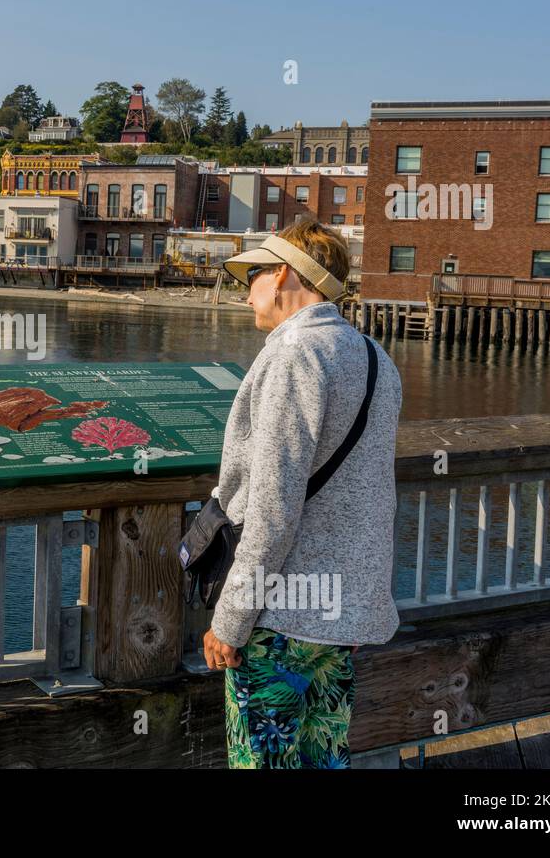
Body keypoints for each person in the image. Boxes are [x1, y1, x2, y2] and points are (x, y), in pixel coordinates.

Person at [203, 218, 402, 769]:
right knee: (324, 761)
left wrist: (231, 620)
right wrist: (360, 605)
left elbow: (272, 507)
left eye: (254, 274)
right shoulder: (374, 358)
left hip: (282, 616)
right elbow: (374, 496)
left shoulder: (294, 355)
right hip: (339, 613)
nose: (247, 292)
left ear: (284, 272)